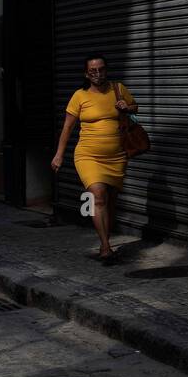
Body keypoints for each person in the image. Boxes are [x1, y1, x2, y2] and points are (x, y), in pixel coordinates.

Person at [51, 54, 137, 264]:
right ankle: (105, 246)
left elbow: (135, 108)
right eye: (93, 71)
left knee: (111, 201)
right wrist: (59, 154)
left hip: (117, 156)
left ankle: (106, 237)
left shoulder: (118, 89)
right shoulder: (79, 96)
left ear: (106, 70)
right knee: (98, 196)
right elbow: (68, 128)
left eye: (101, 69)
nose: (98, 74)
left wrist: (127, 107)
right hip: (88, 156)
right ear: (86, 74)